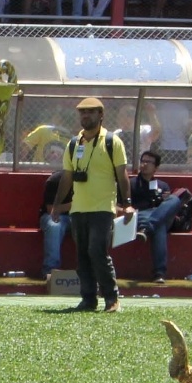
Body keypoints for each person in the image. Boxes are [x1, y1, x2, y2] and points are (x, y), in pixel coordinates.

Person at [50, 96, 131, 312]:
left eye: (91, 112)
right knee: (82, 255)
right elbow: (67, 176)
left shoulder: (112, 142)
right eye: (82, 112)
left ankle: (111, 298)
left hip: (103, 207)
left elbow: (122, 175)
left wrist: (128, 203)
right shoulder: (74, 143)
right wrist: (57, 205)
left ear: (101, 115)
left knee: (97, 251)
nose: (85, 116)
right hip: (79, 209)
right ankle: (88, 299)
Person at [130, 150, 191, 283]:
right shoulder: (132, 183)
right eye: (143, 161)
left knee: (175, 200)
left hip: (159, 215)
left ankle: (146, 229)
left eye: (148, 162)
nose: (144, 164)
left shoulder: (162, 185)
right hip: (141, 215)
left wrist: (166, 199)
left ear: (156, 167)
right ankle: (159, 273)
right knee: (159, 227)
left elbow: (168, 208)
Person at [37, 167, 69, 279]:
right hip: (53, 216)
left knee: (92, 225)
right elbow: (51, 210)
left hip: (79, 217)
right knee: (54, 226)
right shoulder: (55, 180)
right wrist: (77, 203)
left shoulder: (91, 181)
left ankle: (88, 271)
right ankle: (50, 272)